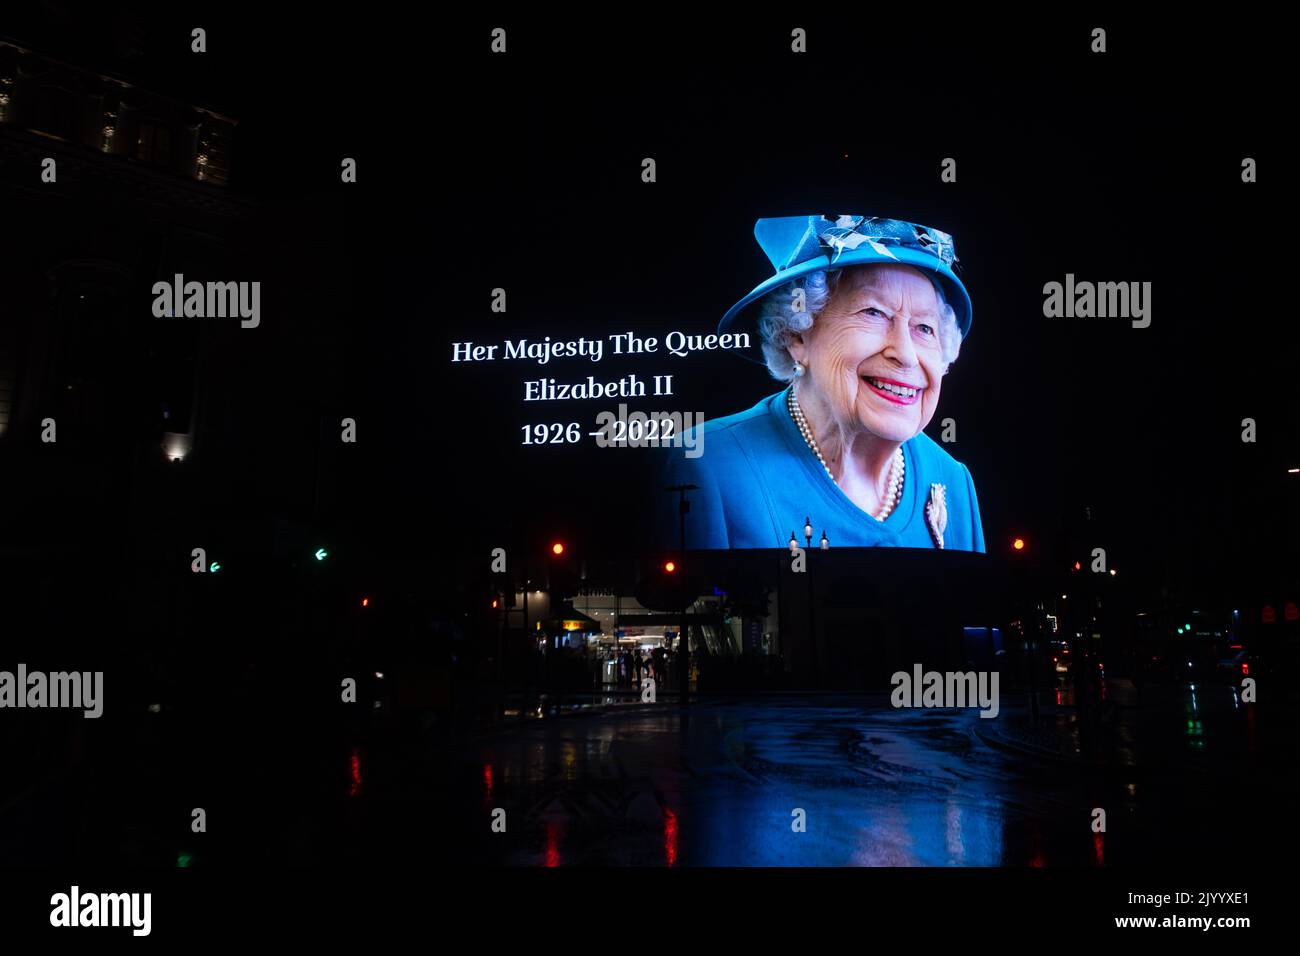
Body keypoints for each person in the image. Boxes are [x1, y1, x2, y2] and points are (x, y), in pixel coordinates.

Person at [658, 214, 984, 551]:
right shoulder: (707, 466)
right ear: (797, 334)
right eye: (873, 312)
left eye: (925, 328)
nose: (906, 354)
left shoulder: (953, 481)